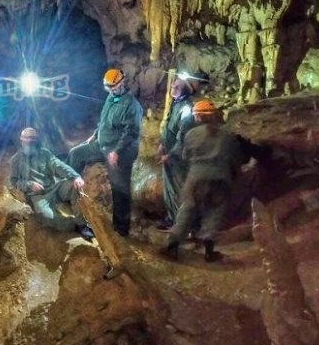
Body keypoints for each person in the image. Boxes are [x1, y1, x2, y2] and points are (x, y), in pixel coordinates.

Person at [161, 100, 248, 262]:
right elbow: (236, 158)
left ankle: (172, 246)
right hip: (220, 179)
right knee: (214, 213)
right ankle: (209, 252)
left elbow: (185, 156)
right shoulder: (228, 135)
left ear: (198, 117)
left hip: (197, 178)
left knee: (187, 211)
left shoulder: (191, 135)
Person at [68, 69, 144, 237]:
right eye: (108, 87)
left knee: (120, 188)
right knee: (76, 153)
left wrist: (117, 151)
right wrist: (94, 135)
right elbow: (103, 122)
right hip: (102, 145)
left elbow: (131, 132)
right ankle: (69, 193)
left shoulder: (131, 105)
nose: (111, 90)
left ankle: (121, 227)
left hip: (121, 151)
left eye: (113, 86)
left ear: (122, 83)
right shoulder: (111, 98)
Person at [9, 127, 95, 241]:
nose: (29, 140)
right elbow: (14, 181)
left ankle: (82, 224)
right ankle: (73, 225)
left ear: (36, 140)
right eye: (26, 138)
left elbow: (58, 165)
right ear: (21, 139)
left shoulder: (45, 154)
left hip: (54, 187)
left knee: (75, 187)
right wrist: (29, 184)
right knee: (48, 216)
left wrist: (75, 176)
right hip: (39, 196)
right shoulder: (15, 160)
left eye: (32, 138)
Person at [157, 73, 200, 231]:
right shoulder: (176, 104)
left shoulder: (186, 108)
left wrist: (171, 154)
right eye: (172, 86)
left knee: (179, 190)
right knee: (169, 189)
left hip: (179, 157)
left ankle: (185, 225)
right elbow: (168, 127)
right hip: (168, 153)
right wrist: (162, 144)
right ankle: (172, 218)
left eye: (177, 87)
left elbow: (183, 137)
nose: (173, 89)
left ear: (185, 90)